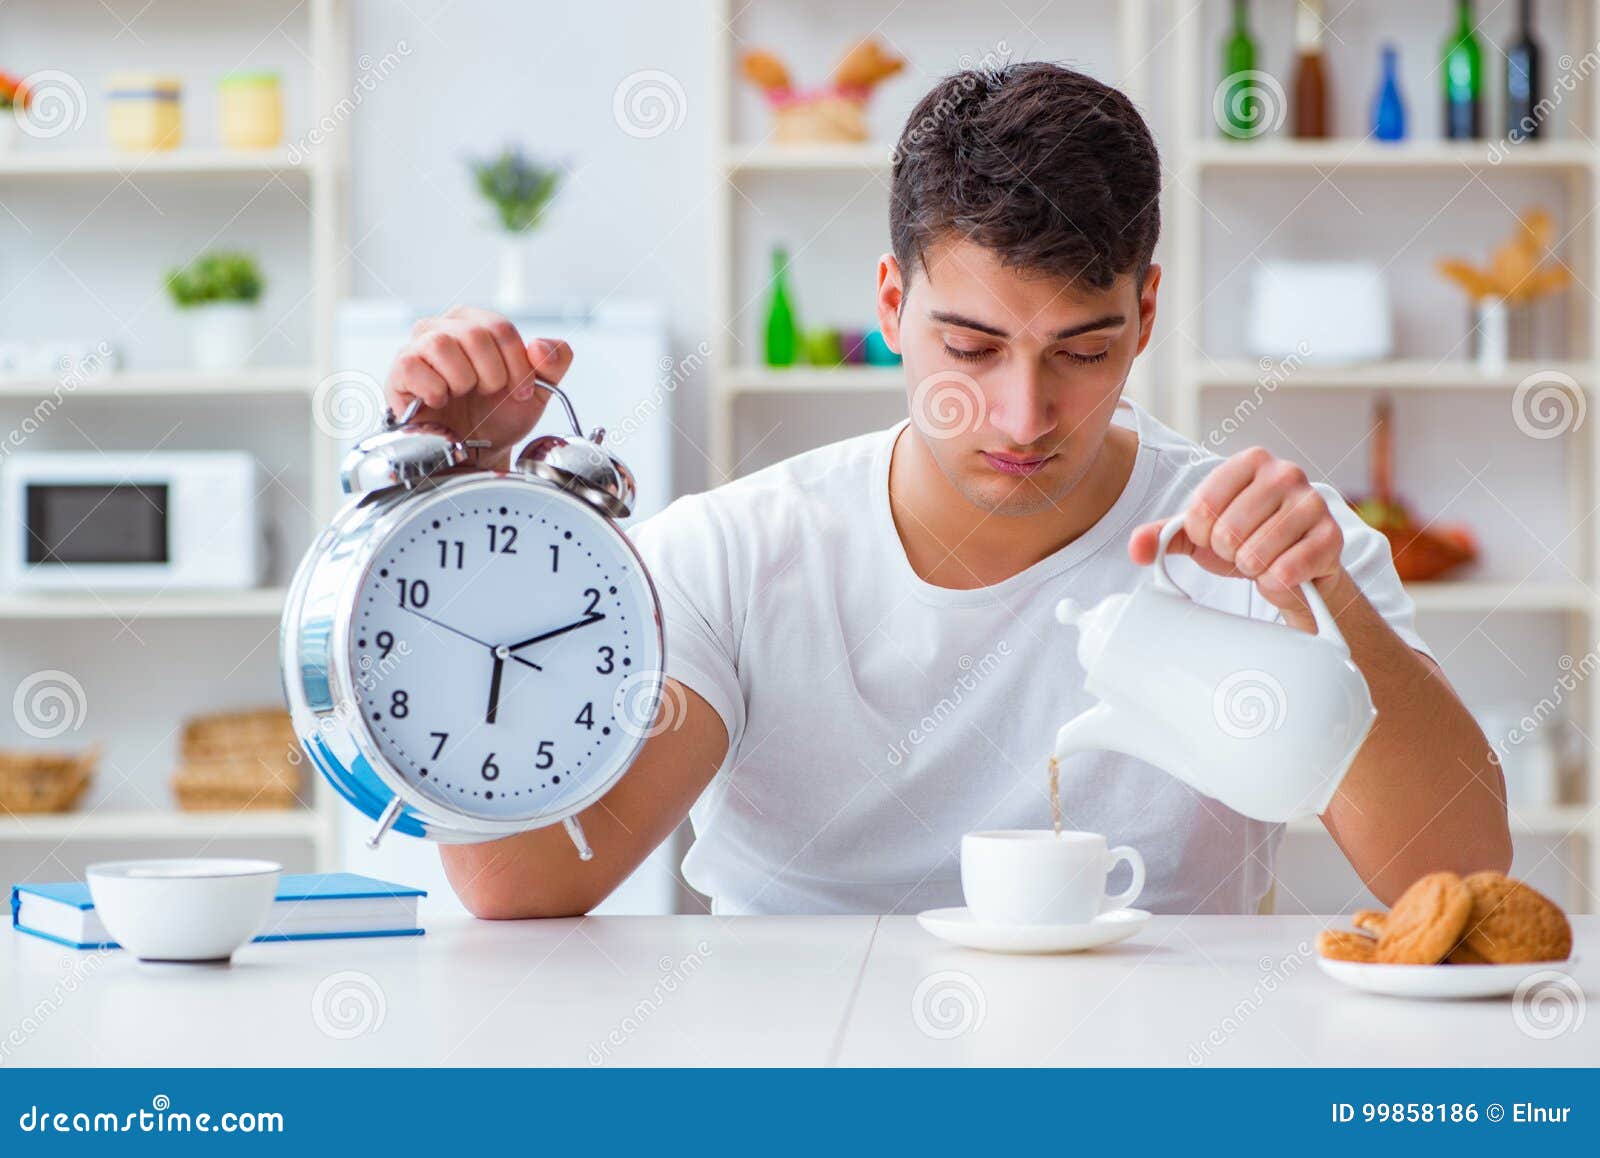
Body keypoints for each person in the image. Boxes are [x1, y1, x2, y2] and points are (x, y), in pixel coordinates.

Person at [383, 63, 1510, 917]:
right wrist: (465, 521)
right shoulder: (738, 554)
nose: (1022, 418)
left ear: (1147, 317)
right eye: (970, 347)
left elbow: (1456, 875)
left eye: (1082, 351)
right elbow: (520, 883)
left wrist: (1331, 611)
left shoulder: (1259, 542)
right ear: (889, 305)